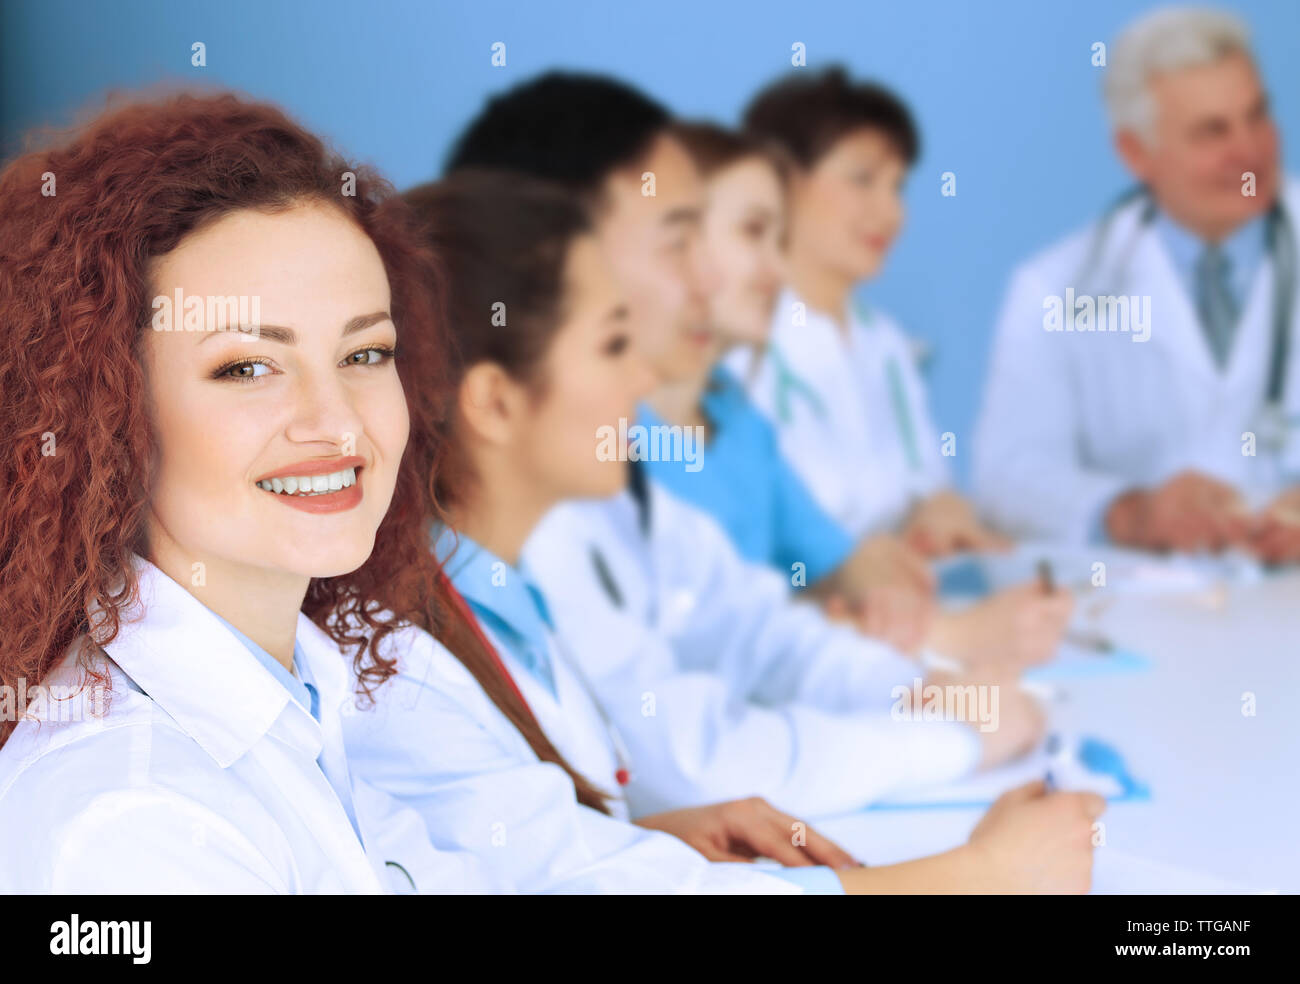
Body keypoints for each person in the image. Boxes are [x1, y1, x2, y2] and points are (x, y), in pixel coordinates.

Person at [343, 170, 1105, 893]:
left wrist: (653, 839)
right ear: (496, 404)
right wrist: (978, 879)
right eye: (613, 344)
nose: (642, 380)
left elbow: (549, 851)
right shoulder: (397, 672)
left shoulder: (503, 594)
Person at [0, 93, 504, 893]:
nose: (337, 424)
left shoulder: (301, 693)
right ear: (107, 415)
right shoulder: (130, 827)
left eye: (366, 354)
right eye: (246, 368)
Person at [974, 6, 1300, 562]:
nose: (1248, 151)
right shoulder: (1056, 290)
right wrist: (1130, 511)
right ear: (1135, 152)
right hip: (1150, 612)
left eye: (1257, 116)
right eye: (1211, 131)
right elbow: (1008, 473)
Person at [731, 68, 1007, 562]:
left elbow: (928, 483)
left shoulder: (886, 343)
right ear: (779, 180)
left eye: (898, 187)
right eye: (863, 180)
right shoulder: (734, 346)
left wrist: (942, 513)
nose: (891, 212)